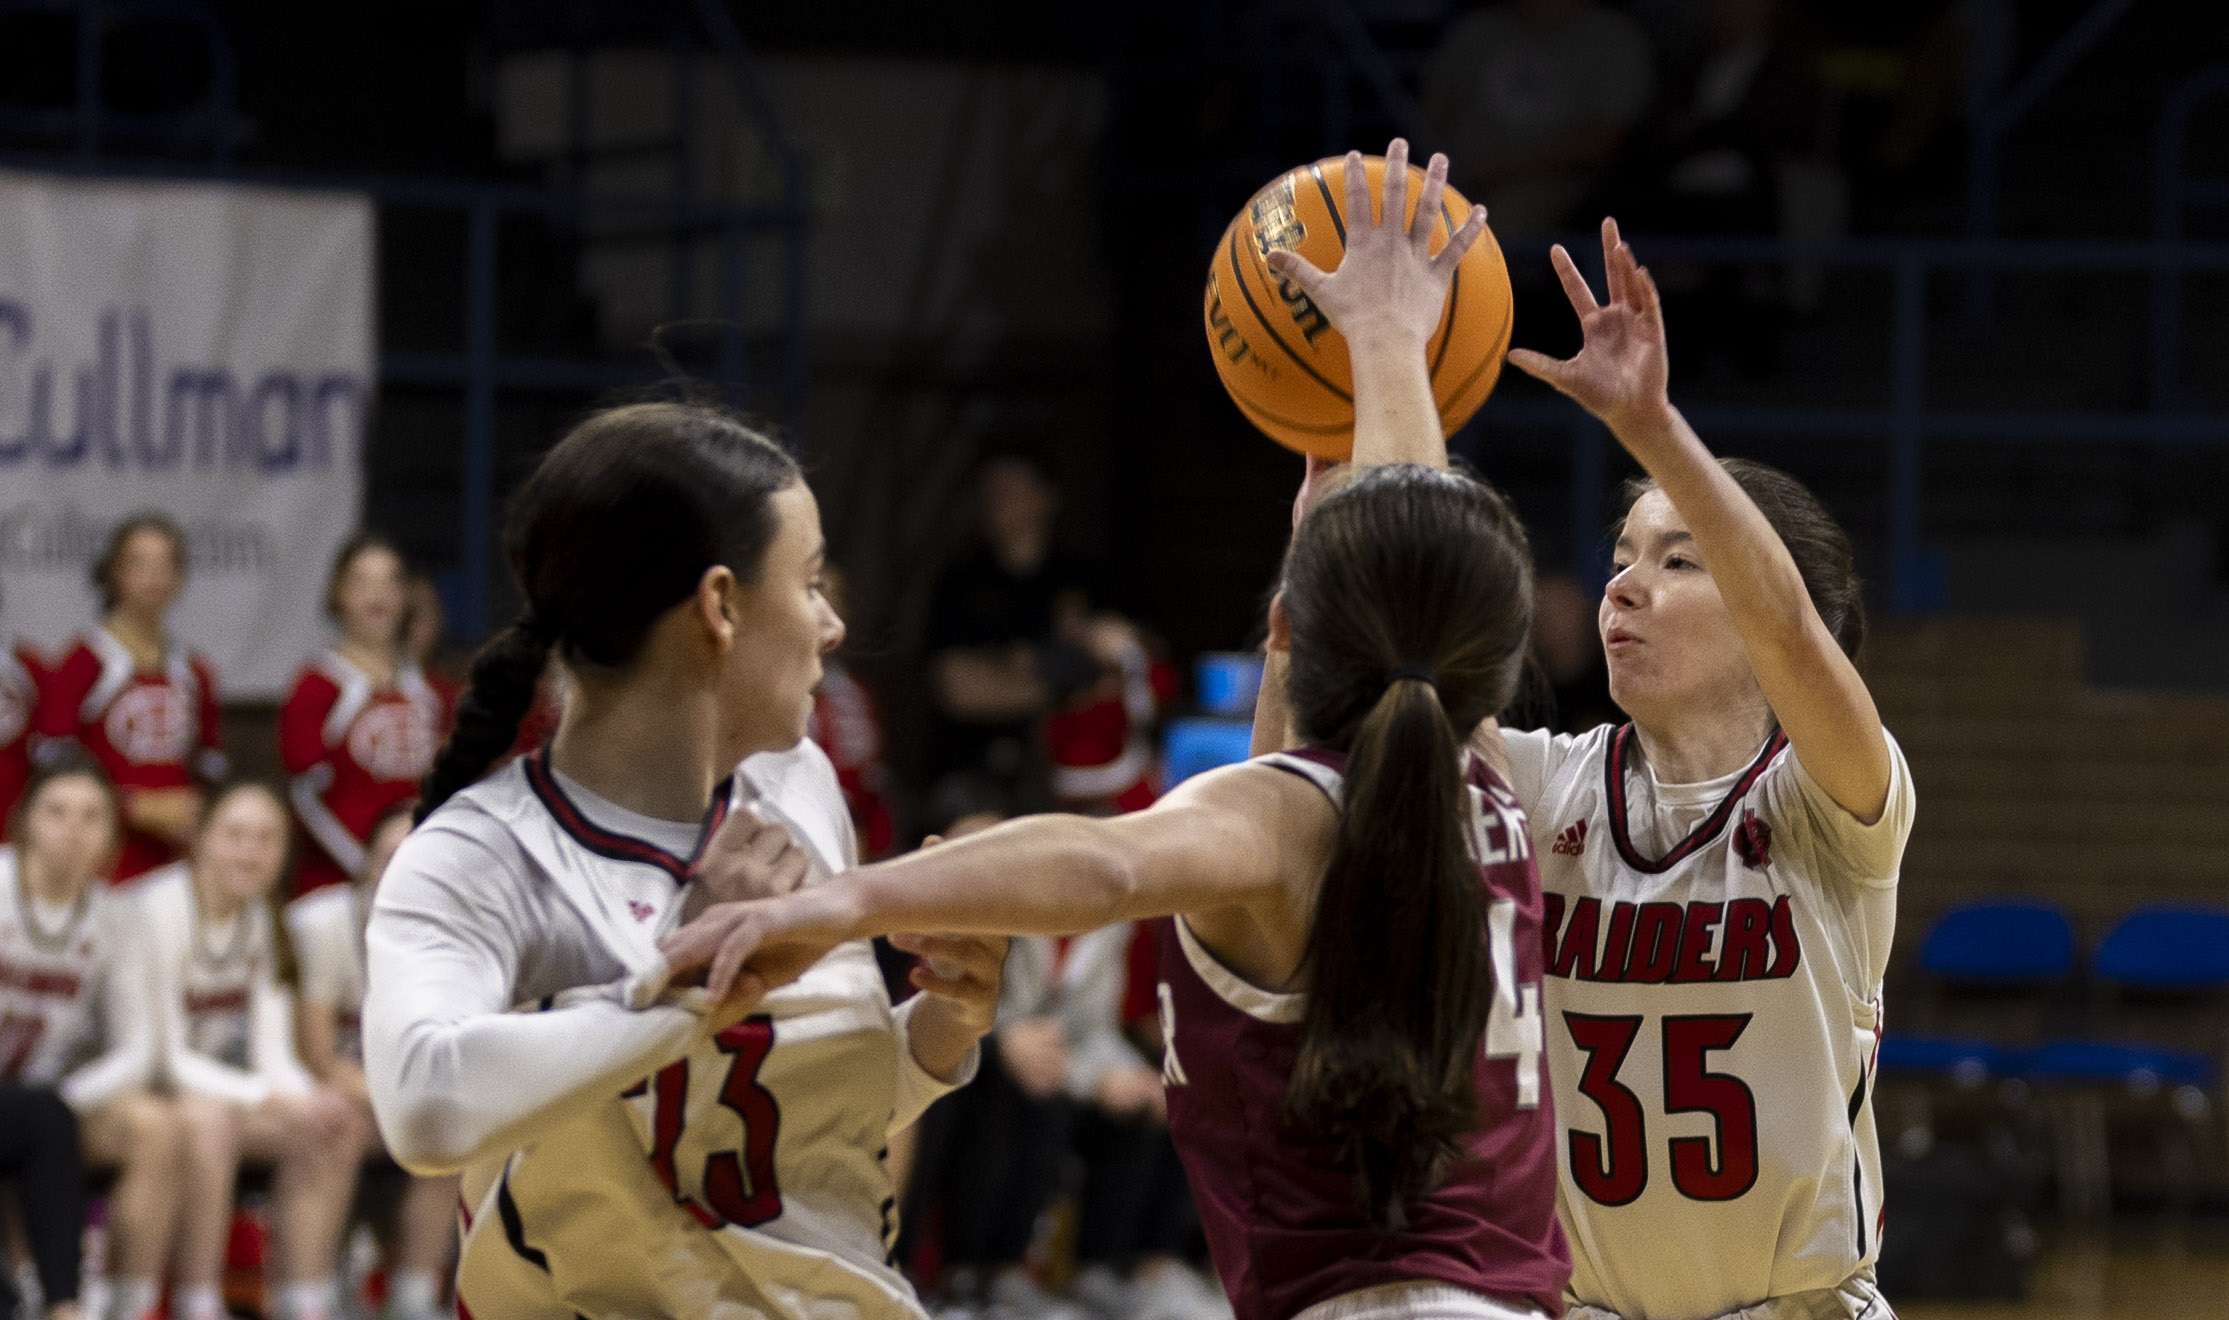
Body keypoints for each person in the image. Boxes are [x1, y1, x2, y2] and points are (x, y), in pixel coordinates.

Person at [667, 143, 1570, 1320]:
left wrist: (836, 904)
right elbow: (1414, 596)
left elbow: (1102, 861)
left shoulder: (1286, 822)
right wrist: (1389, 364)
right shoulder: (1474, 783)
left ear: (1284, 622)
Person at [360, 402, 1007, 1319]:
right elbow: (426, 1110)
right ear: (720, 606)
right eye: (809, 583)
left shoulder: (800, 784)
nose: (830, 625)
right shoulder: (483, 854)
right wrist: (689, 982)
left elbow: (783, 1124)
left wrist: (942, 1026)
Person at [1490, 221, 1913, 1320]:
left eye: (1678, 561)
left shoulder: (1829, 801)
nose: (1623, 586)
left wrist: (1652, 426)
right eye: (1621, 556)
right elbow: (1340, 741)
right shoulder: (1541, 788)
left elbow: (1789, 628)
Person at [134, 782, 371, 1320]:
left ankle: (304, 1299)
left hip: (218, 1091)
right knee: (210, 1123)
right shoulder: (156, 908)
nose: (250, 852)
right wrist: (266, 1096)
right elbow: (163, 1058)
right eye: (234, 835)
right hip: (147, 1088)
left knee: (336, 1121)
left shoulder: (263, 915)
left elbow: (272, 1053)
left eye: (267, 839)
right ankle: (198, 1301)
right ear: (199, 838)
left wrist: (309, 1099)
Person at [0, 760, 175, 1320]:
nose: (72, 829)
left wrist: (63, 1101)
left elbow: (138, 1047)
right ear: (24, 821)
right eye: (56, 812)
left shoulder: (117, 917)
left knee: (153, 1125)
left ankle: (123, 1302)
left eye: (91, 816)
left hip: (41, 1100)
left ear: (112, 835)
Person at [286, 804, 456, 1320]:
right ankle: (308, 1297)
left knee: (453, 1128)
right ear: (365, 864)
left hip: (390, 1096)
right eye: (388, 859)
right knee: (341, 1122)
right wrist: (404, 1096)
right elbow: (316, 1055)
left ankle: (412, 1299)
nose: (401, 873)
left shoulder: (451, 934)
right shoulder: (320, 923)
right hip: (314, 1086)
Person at [38, 515, 226, 880]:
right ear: (115, 573)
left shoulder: (194, 670)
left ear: (180, 578)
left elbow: (210, 765)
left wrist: (198, 809)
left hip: (177, 860)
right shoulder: (83, 660)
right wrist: (131, 805)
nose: (153, 577)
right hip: (102, 857)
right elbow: (50, 759)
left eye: (165, 565)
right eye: (139, 564)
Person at [923, 451, 1109, 799]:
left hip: (1071, 772)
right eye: (990, 489)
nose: (997, 498)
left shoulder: (1083, 579)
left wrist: (1014, 671)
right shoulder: (961, 581)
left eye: (1010, 487)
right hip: (974, 769)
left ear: (1046, 496)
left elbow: (1117, 672)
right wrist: (1064, 690)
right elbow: (958, 688)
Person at [280, 534, 453, 896]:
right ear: (339, 593)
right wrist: (363, 865)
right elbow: (304, 795)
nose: (377, 594)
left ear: (405, 596)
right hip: (337, 887)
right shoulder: (315, 686)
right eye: (362, 581)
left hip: (420, 882)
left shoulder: (431, 691)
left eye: (390, 581)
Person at [1421, 0, 1656, 244]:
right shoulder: (1477, 32)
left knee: (1495, 224)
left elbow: (1603, 141)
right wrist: (1449, 170)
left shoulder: (1613, 40)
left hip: (1556, 181)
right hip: (1456, 176)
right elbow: (1430, 119)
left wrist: (1505, 168)